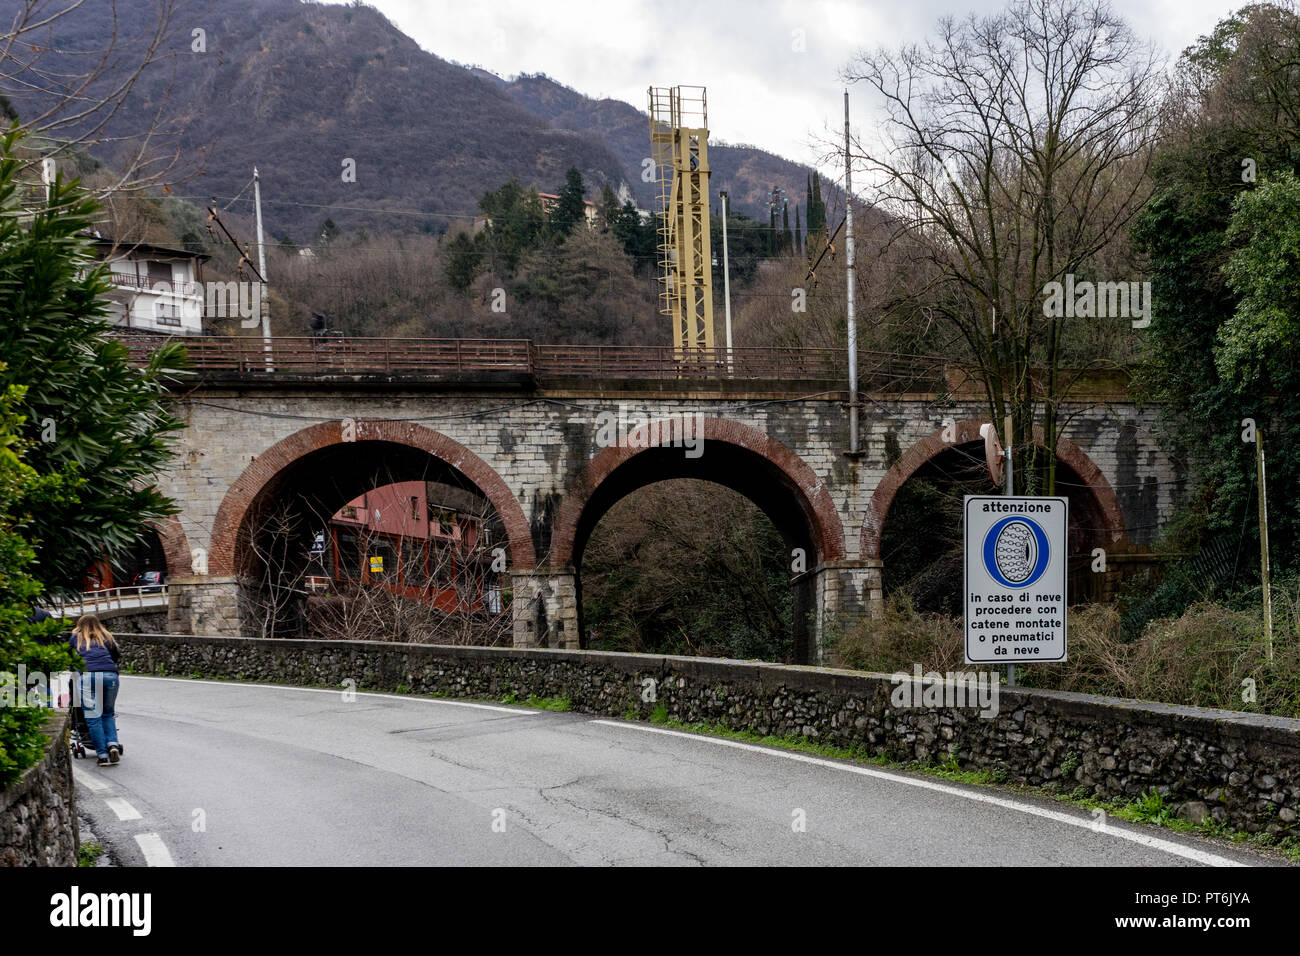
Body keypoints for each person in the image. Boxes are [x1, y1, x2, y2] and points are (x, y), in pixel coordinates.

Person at [67, 614, 123, 767]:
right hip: (110, 675)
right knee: (108, 713)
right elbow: (116, 655)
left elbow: (69, 657)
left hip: (88, 676)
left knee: (93, 717)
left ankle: (103, 755)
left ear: (80, 625)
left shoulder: (76, 638)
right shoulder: (106, 636)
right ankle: (112, 744)